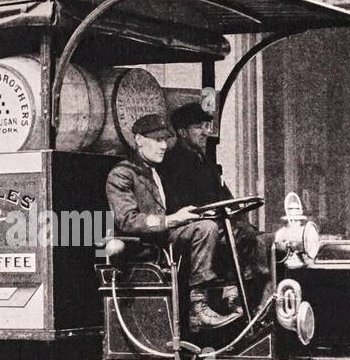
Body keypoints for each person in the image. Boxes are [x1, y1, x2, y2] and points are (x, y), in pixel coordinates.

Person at [105, 113, 241, 329]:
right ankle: (198, 307)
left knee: (229, 230)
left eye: (165, 140)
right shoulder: (122, 174)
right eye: (157, 140)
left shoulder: (157, 171)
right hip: (149, 246)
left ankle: (233, 295)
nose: (163, 146)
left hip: (168, 240)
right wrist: (171, 220)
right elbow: (128, 220)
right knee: (206, 229)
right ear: (139, 140)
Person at [161, 101, 270, 310]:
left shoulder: (205, 161)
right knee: (241, 234)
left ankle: (259, 295)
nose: (204, 132)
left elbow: (224, 196)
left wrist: (236, 214)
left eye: (206, 126)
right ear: (182, 132)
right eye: (198, 127)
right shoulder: (172, 163)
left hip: (217, 223)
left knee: (263, 239)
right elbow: (178, 205)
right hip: (192, 227)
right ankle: (227, 295)